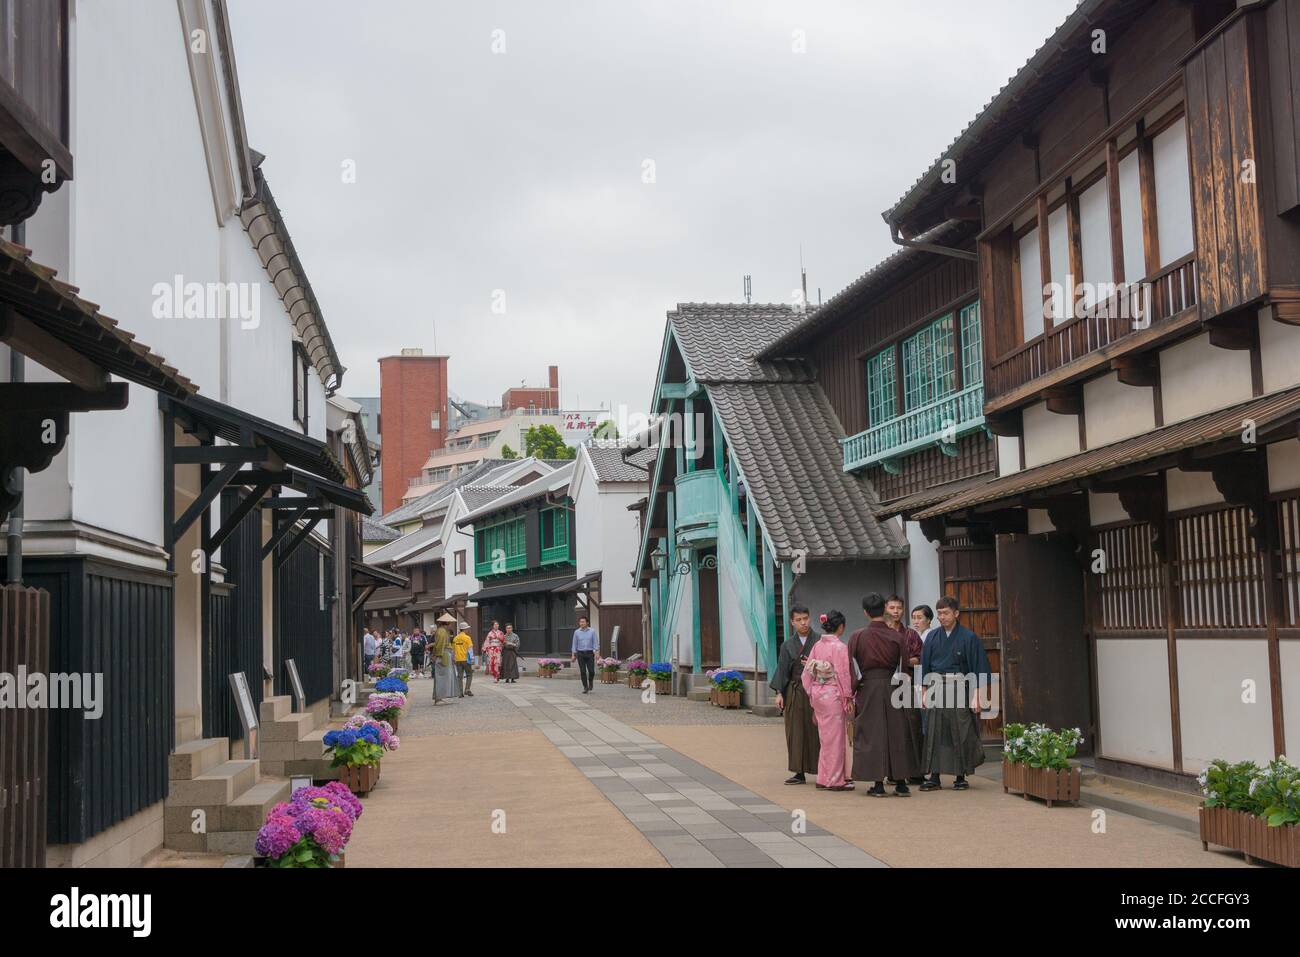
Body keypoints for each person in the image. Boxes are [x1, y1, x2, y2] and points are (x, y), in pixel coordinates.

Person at [848, 593, 922, 796]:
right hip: (893, 687)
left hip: (868, 688)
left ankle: (878, 784)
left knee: (872, 734)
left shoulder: (857, 637)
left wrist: (853, 690)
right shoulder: (897, 637)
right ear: (884, 610)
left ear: (865, 612)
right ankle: (901, 783)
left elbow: (854, 670)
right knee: (897, 733)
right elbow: (903, 668)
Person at [919, 596, 992, 791]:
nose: (942, 617)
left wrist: (978, 697)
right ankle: (934, 776)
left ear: (956, 613)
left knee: (961, 731)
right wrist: (923, 693)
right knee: (934, 731)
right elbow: (924, 667)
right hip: (935, 687)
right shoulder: (932, 637)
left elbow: (979, 668)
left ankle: (960, 776)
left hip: (960, 688)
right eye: (939, 613)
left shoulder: (969, 637)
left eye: (946, 613)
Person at [800, 610, 855, 792]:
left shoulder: (817, 645)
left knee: (825, 738)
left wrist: (812, 691)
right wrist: (848, 697)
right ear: (841, 627)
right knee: (835, 739)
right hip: (833, 694)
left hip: (818, 692)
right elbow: (844, 674)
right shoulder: (840, 647)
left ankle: (823, 777)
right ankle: (834, 780)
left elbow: (806, 674)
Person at [769, 605, 820, 785]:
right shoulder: (787, 645)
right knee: (795, 730)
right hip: (795, 690)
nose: (803, 623)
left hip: (816, 690)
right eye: (798, 620)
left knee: (818, 730)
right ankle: (799, 771)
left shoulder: (819, 641)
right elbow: (782, 670)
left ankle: (823, 770)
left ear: (810, 618)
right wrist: (779, 693)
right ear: (792, 622)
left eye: (805, 618)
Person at [885, 594, 926, 786]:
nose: (896, 611)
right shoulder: (881, 632)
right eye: (892, 608)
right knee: (890, 729)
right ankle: (893, 773)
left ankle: (915, 772)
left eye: (899, 608)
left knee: (912, 727)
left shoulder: (911, 634)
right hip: (886, 685)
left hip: (907, 684)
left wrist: (903, 660)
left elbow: (920, 658)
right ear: (886, 609)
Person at [432, 613, 457, 704]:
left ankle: (440, 697)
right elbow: (439, 645)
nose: (451, 625)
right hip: (443, 655)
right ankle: (439, 697)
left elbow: (438, 644)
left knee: (443, 676)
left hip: (444, 653)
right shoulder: (442, 631)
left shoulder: (442, 631)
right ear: (447, 623)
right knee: (442, 676)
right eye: (450, 623)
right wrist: (437, 655)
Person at [571, 615, 599, 693]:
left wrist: (597, 653)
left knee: (591, 671)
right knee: (583, 671)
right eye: (580, 622)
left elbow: (595, 643)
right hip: (580, 654)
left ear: (587, 623)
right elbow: (574, 644)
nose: (581, 623)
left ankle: (590, 682)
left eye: (583, 622)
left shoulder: (592, 631)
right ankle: (585, 687)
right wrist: (573, 655)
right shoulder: (576, 632)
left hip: (590, 653)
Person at [453, 621, 475, 697]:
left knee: (459, 676)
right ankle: (467, 689)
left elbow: (453, 649)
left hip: (458, 659)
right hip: (466, 659)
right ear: (464, 629)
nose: (468, 630)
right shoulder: (467, 638)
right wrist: (472, 659)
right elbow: (470, 649)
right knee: (469, 674)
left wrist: (454, 658)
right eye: (467, 629)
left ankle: (460, 692)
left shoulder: (455, 638)